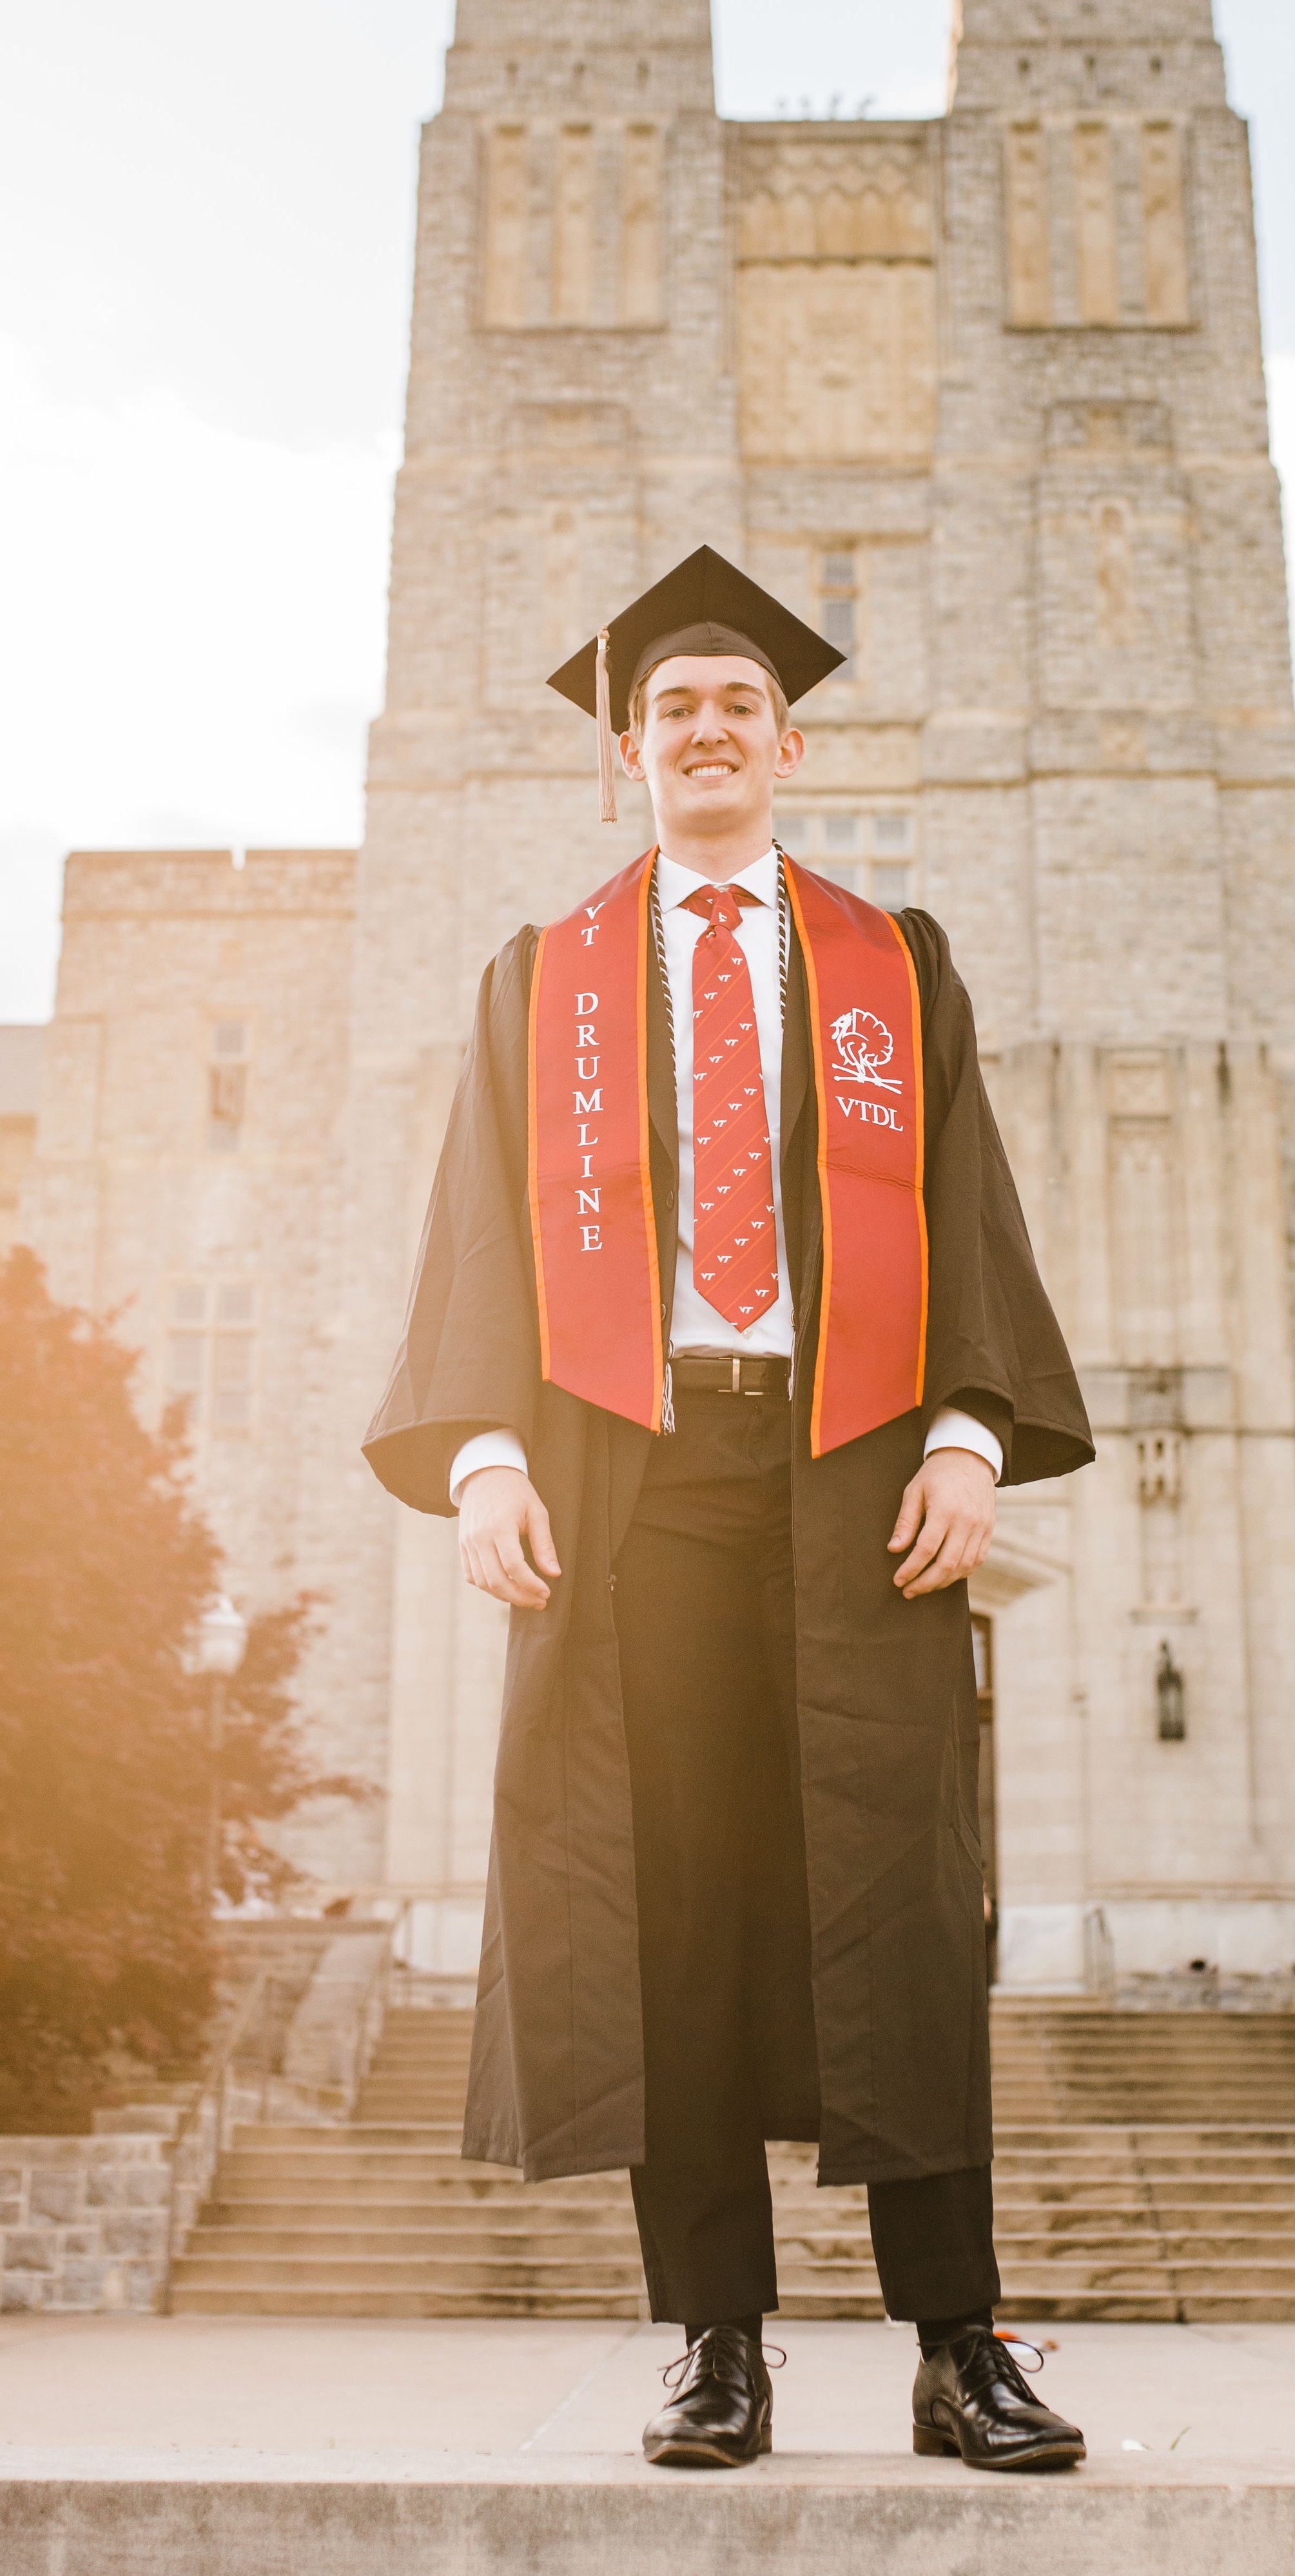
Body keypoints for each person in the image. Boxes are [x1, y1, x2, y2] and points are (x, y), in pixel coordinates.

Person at [364, 546, 1094, 2468]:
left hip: (853, 1464)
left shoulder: (886, 961)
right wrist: (486, 1457)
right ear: (628, 755)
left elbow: (963, 1206)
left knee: (905, 1902)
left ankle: (962, 2347)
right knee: (657, 1899)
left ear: (788, 747)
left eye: (737, 711)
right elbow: (478, 1236)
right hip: (630, 1472)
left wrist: (966, 1433)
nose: (706, 733)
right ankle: (715, 2342)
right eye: (672, 711)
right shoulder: (544, 979)